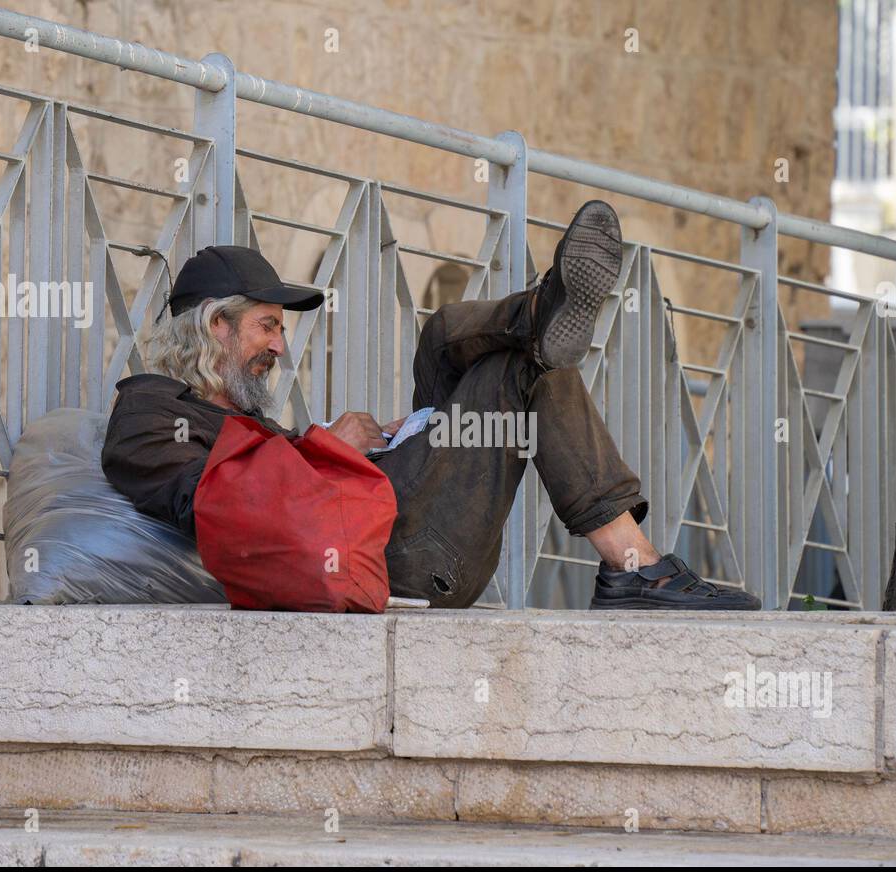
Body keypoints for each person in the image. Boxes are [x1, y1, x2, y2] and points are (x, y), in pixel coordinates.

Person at [101, 200, 760, 611]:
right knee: (522, 373)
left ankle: (543, 311)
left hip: (394, 528)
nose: (280, 344)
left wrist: (370, 443)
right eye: (267, 326)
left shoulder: (246, 417)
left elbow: (267, 478)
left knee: (449, 338)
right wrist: (325, 447)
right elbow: (226, 504)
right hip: (391, 558)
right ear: (217, 327)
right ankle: (635, 568)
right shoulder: (149, 413)